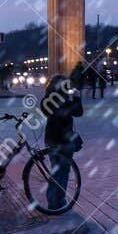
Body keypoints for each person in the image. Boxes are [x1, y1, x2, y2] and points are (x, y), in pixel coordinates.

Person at [41, 74, 84, 213]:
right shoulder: (62, 99)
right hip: (63, 140)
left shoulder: (48, 98)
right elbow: (77, 112)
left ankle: (55, 201)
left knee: (57, 171)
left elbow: (77, 112)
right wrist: (76, 98)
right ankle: (57, 202)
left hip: (52, 138)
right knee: (62, 172)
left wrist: (74, 98)